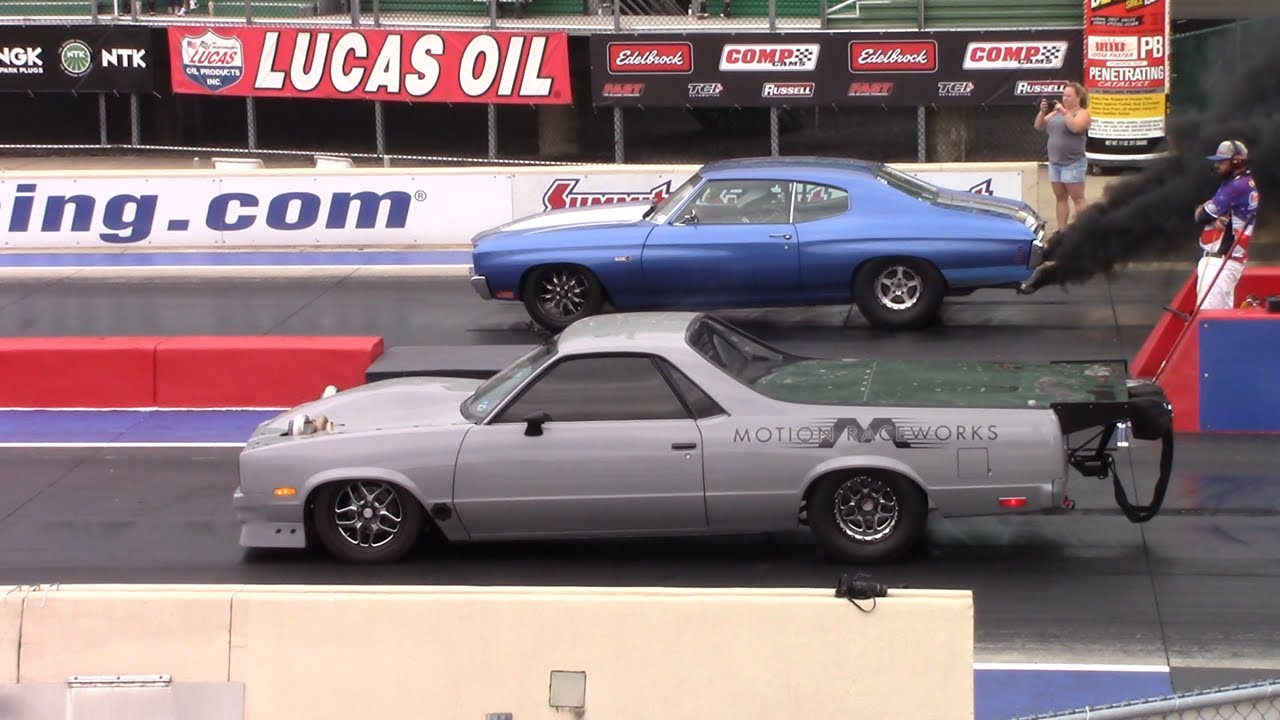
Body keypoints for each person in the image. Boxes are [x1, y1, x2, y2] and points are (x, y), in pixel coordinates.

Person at [1193, 140, 1259, 310]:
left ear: (1237, 161)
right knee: (1221, 319)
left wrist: (1204, 210)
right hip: (1227, 262)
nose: (1217, 165)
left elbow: (1202, 216)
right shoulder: (1243, 182)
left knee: (1210, 320)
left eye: (1222, 161)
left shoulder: (1236, 187)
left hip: (1220, 264)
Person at [1034, 82, 1092, 231]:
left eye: (1069, 96)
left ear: (1078, 97)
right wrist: (1042, 111)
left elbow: (1076, 127)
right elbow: (1039, 126)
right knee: (1060, 198)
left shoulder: (1082, 113)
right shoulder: (1056, 113)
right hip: (1055, 163)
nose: (1065, 99)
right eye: (1064, 95)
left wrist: (1064, 111)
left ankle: (1085, 231)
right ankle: (1062, 231)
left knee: (1078, 198)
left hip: (1073, 162)